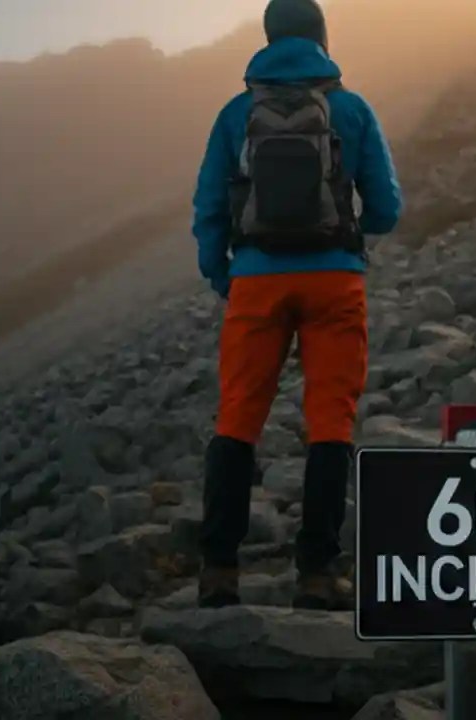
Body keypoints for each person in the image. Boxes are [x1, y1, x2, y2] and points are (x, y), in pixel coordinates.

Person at [190, 0, 402, 610]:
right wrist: (354, 232)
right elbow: (385, 207)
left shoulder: (236, 114)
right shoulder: (351, 108)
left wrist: (226, 275)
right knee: (330, 418)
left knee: (237, 417)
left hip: (256, 281)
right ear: (322, 40)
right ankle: (315, 574)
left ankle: (219, 572)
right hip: (335, 281)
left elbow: (208, 206)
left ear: (268, 40)